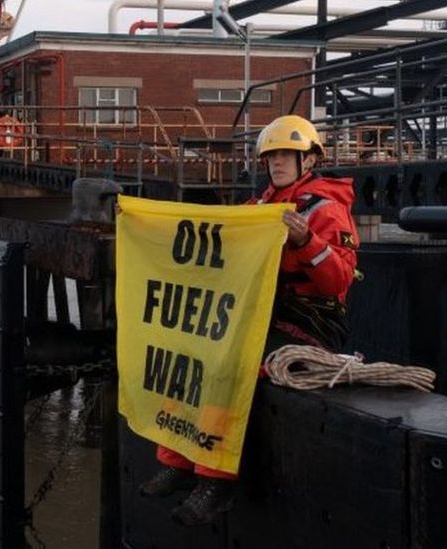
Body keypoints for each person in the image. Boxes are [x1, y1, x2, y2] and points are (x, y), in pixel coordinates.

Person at [138, 114, 360, 526]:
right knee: (189, 350)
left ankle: (215, 483)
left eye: (285, 155)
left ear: (308, 161)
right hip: (263, 312)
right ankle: (177, 460)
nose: (276, 163)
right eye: (271, 156)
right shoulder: (259, 206)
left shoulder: (325, 210)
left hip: (312, 322)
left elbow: (339, 280)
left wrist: (306, 241)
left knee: (228, 365)